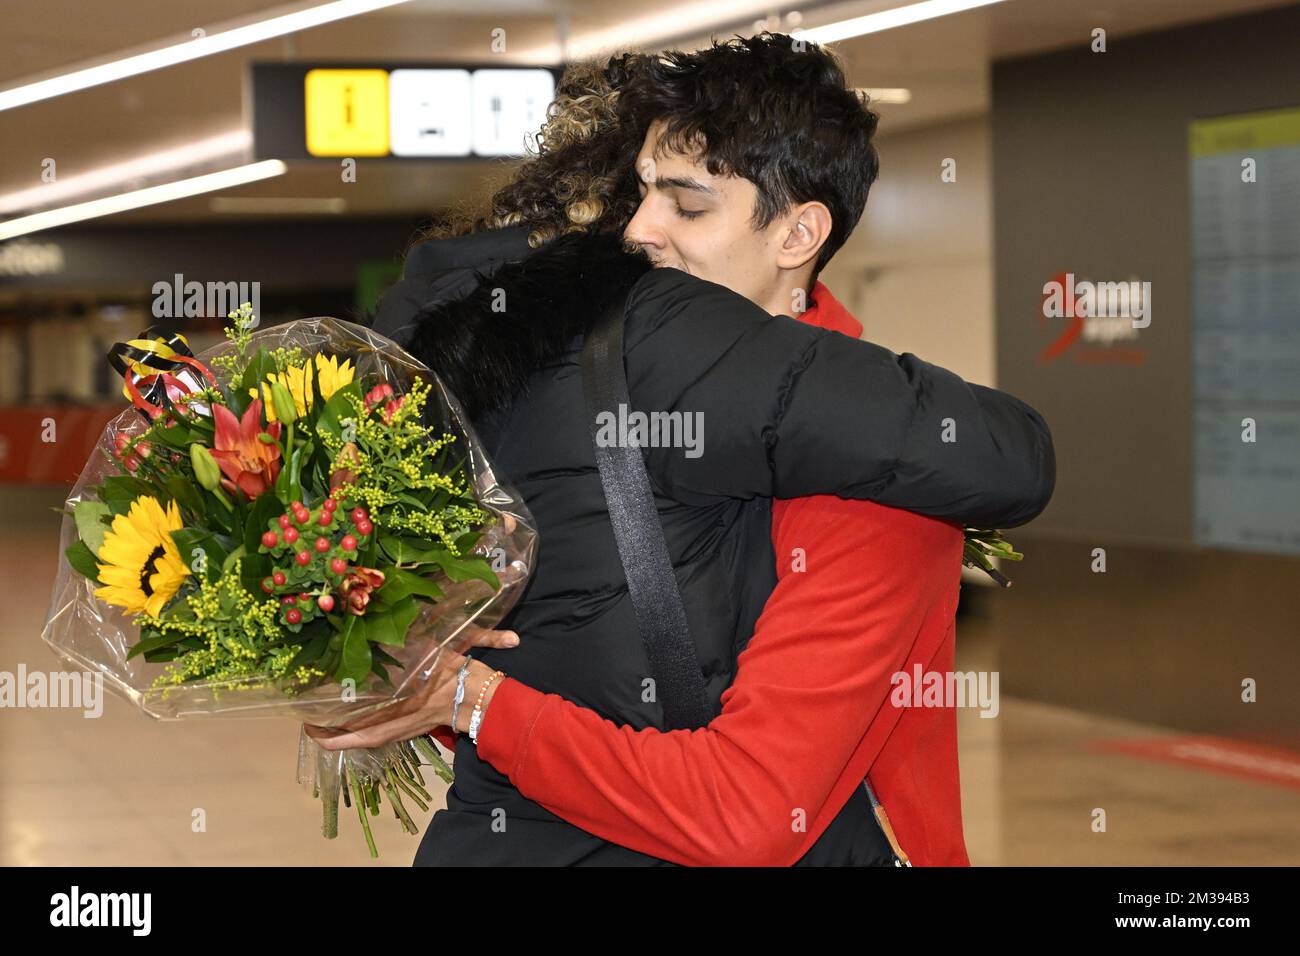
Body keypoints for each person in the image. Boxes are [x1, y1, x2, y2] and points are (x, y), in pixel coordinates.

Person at [308, 35, 1054, 865]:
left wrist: (476, 702)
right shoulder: (579, 370)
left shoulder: (874, 486)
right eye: (640, 192)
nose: (638, 231)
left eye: (687, 205)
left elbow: (747, 813)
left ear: (798, 234)